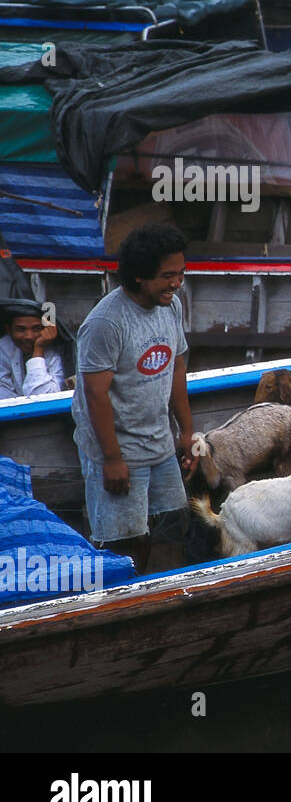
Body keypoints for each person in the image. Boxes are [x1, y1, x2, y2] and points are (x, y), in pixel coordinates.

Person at [70, 224, 195, 573]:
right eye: (167, 276)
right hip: (118, 451)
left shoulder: (170, 306)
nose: (177, 283)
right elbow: (95, 394)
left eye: (181, 274)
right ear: (140, 276)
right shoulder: (106, 323)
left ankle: (163, 594)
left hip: (159, 445)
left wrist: (186, 432)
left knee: (171, 523)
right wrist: (112, 459)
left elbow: (177, 367)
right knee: (123, 544)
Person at [0, 306, 65, 399]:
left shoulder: (58, 351)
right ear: (8, 330)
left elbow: (42, 397)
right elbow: (3, 396)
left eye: (36, 328)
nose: (29, 336)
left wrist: (39, 350)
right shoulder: (4, 347)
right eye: (20, 329)